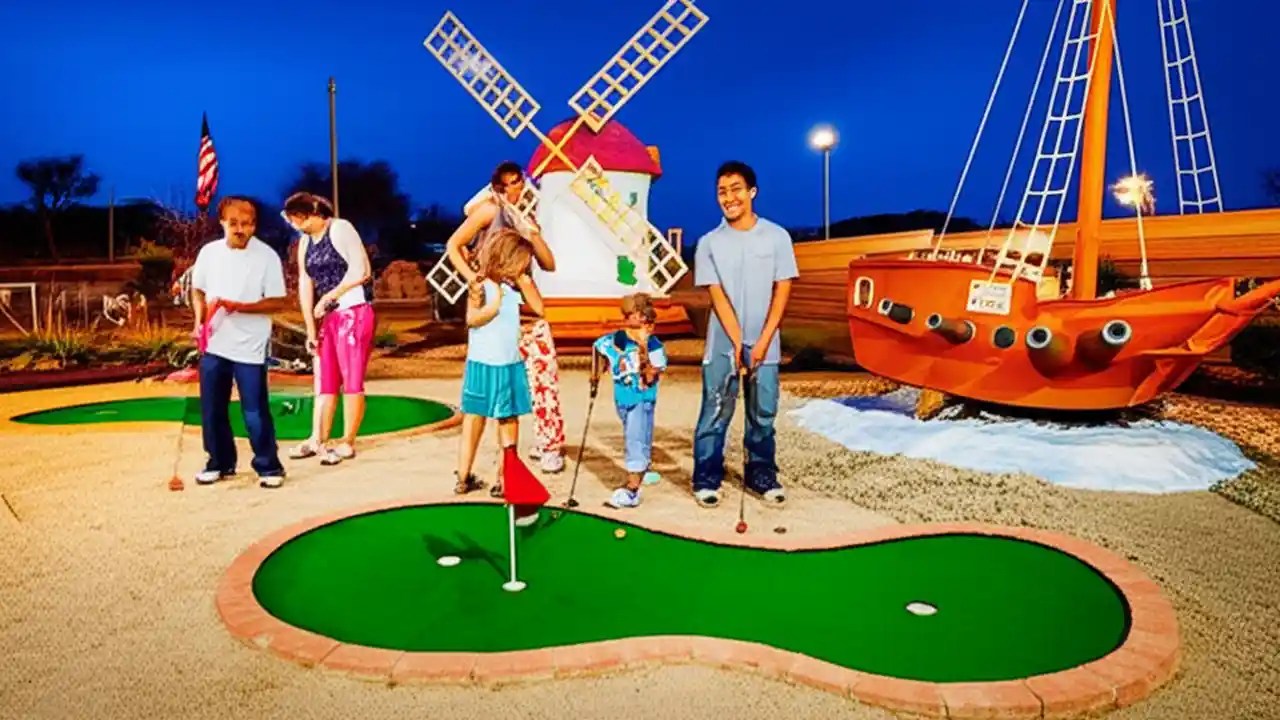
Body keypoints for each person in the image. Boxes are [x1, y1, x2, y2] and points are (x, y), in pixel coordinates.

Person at [446, 161, 568, 474]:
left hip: (521, 305)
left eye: (517, 181)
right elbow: (454, 244)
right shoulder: (489, 210)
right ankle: (473, 473)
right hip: (494, 304)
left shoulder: (523, 219)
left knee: (538, 384)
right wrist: (473, 279)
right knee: (492, 397)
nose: (513, 188)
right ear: (497, 186)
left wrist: (533, 235)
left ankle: (544, 449)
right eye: (507, 183)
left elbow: (549, 263)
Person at [690, 161, 798, 508]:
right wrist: (737, 342)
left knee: (763, 412)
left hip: (766, 340)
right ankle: (706, 476)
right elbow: (717, 295)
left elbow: (782, 289)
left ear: (752, 192)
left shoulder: (777, 236)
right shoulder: (708, 243)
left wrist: (763, 341)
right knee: (715, 409)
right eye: (722, 191)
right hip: (723, 343)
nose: (729, 197)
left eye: (736, 189)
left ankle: (761, 473)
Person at [189, 196, 290, 488]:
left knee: (254, 410)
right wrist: (199, 321)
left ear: (254, 225)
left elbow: (277, 301)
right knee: (212, 408)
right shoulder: (209, 253)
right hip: (214, 342)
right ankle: (219, 463)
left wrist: (240, 307)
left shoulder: (267, 257)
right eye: (233, 223)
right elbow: (198, 290)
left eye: (246, 224)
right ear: (222, 223)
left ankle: (269, 467)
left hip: (250, 347)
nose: (239, 229)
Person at [454, 228, 546, 518]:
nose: (524, 268)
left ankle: (503, 477)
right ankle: (464, 475)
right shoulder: (481, 284)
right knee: (478, 417)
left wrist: (524, 281)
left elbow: (540, 308)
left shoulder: (513, 288)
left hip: (506, 361)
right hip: (488, 364)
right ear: (508, 259)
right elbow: (471, 319)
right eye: (521, 263)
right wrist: (492, 309)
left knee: (505, 418)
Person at [281, 192, 375, 466]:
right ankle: (317, 438)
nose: (295, 225)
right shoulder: (305, 242)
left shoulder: (340, 228)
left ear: (309, 215)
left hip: (354, 310)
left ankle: (347, 440)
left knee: (352, 378)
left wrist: (330, 296)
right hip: (329, 317)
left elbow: (361, 271)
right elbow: (305, 282)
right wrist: (310, 328)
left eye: (296, 219)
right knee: (325, 380)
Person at [590, 293, 667, 510]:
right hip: (623, 397)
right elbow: (598, 347)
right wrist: (595, 375)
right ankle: (643, 466)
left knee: (636, 437)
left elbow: (650, 376)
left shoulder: (654, 345)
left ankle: (632, 489)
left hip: (642, 397)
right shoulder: (618, 339)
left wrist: (643, 349)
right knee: (634, 432)